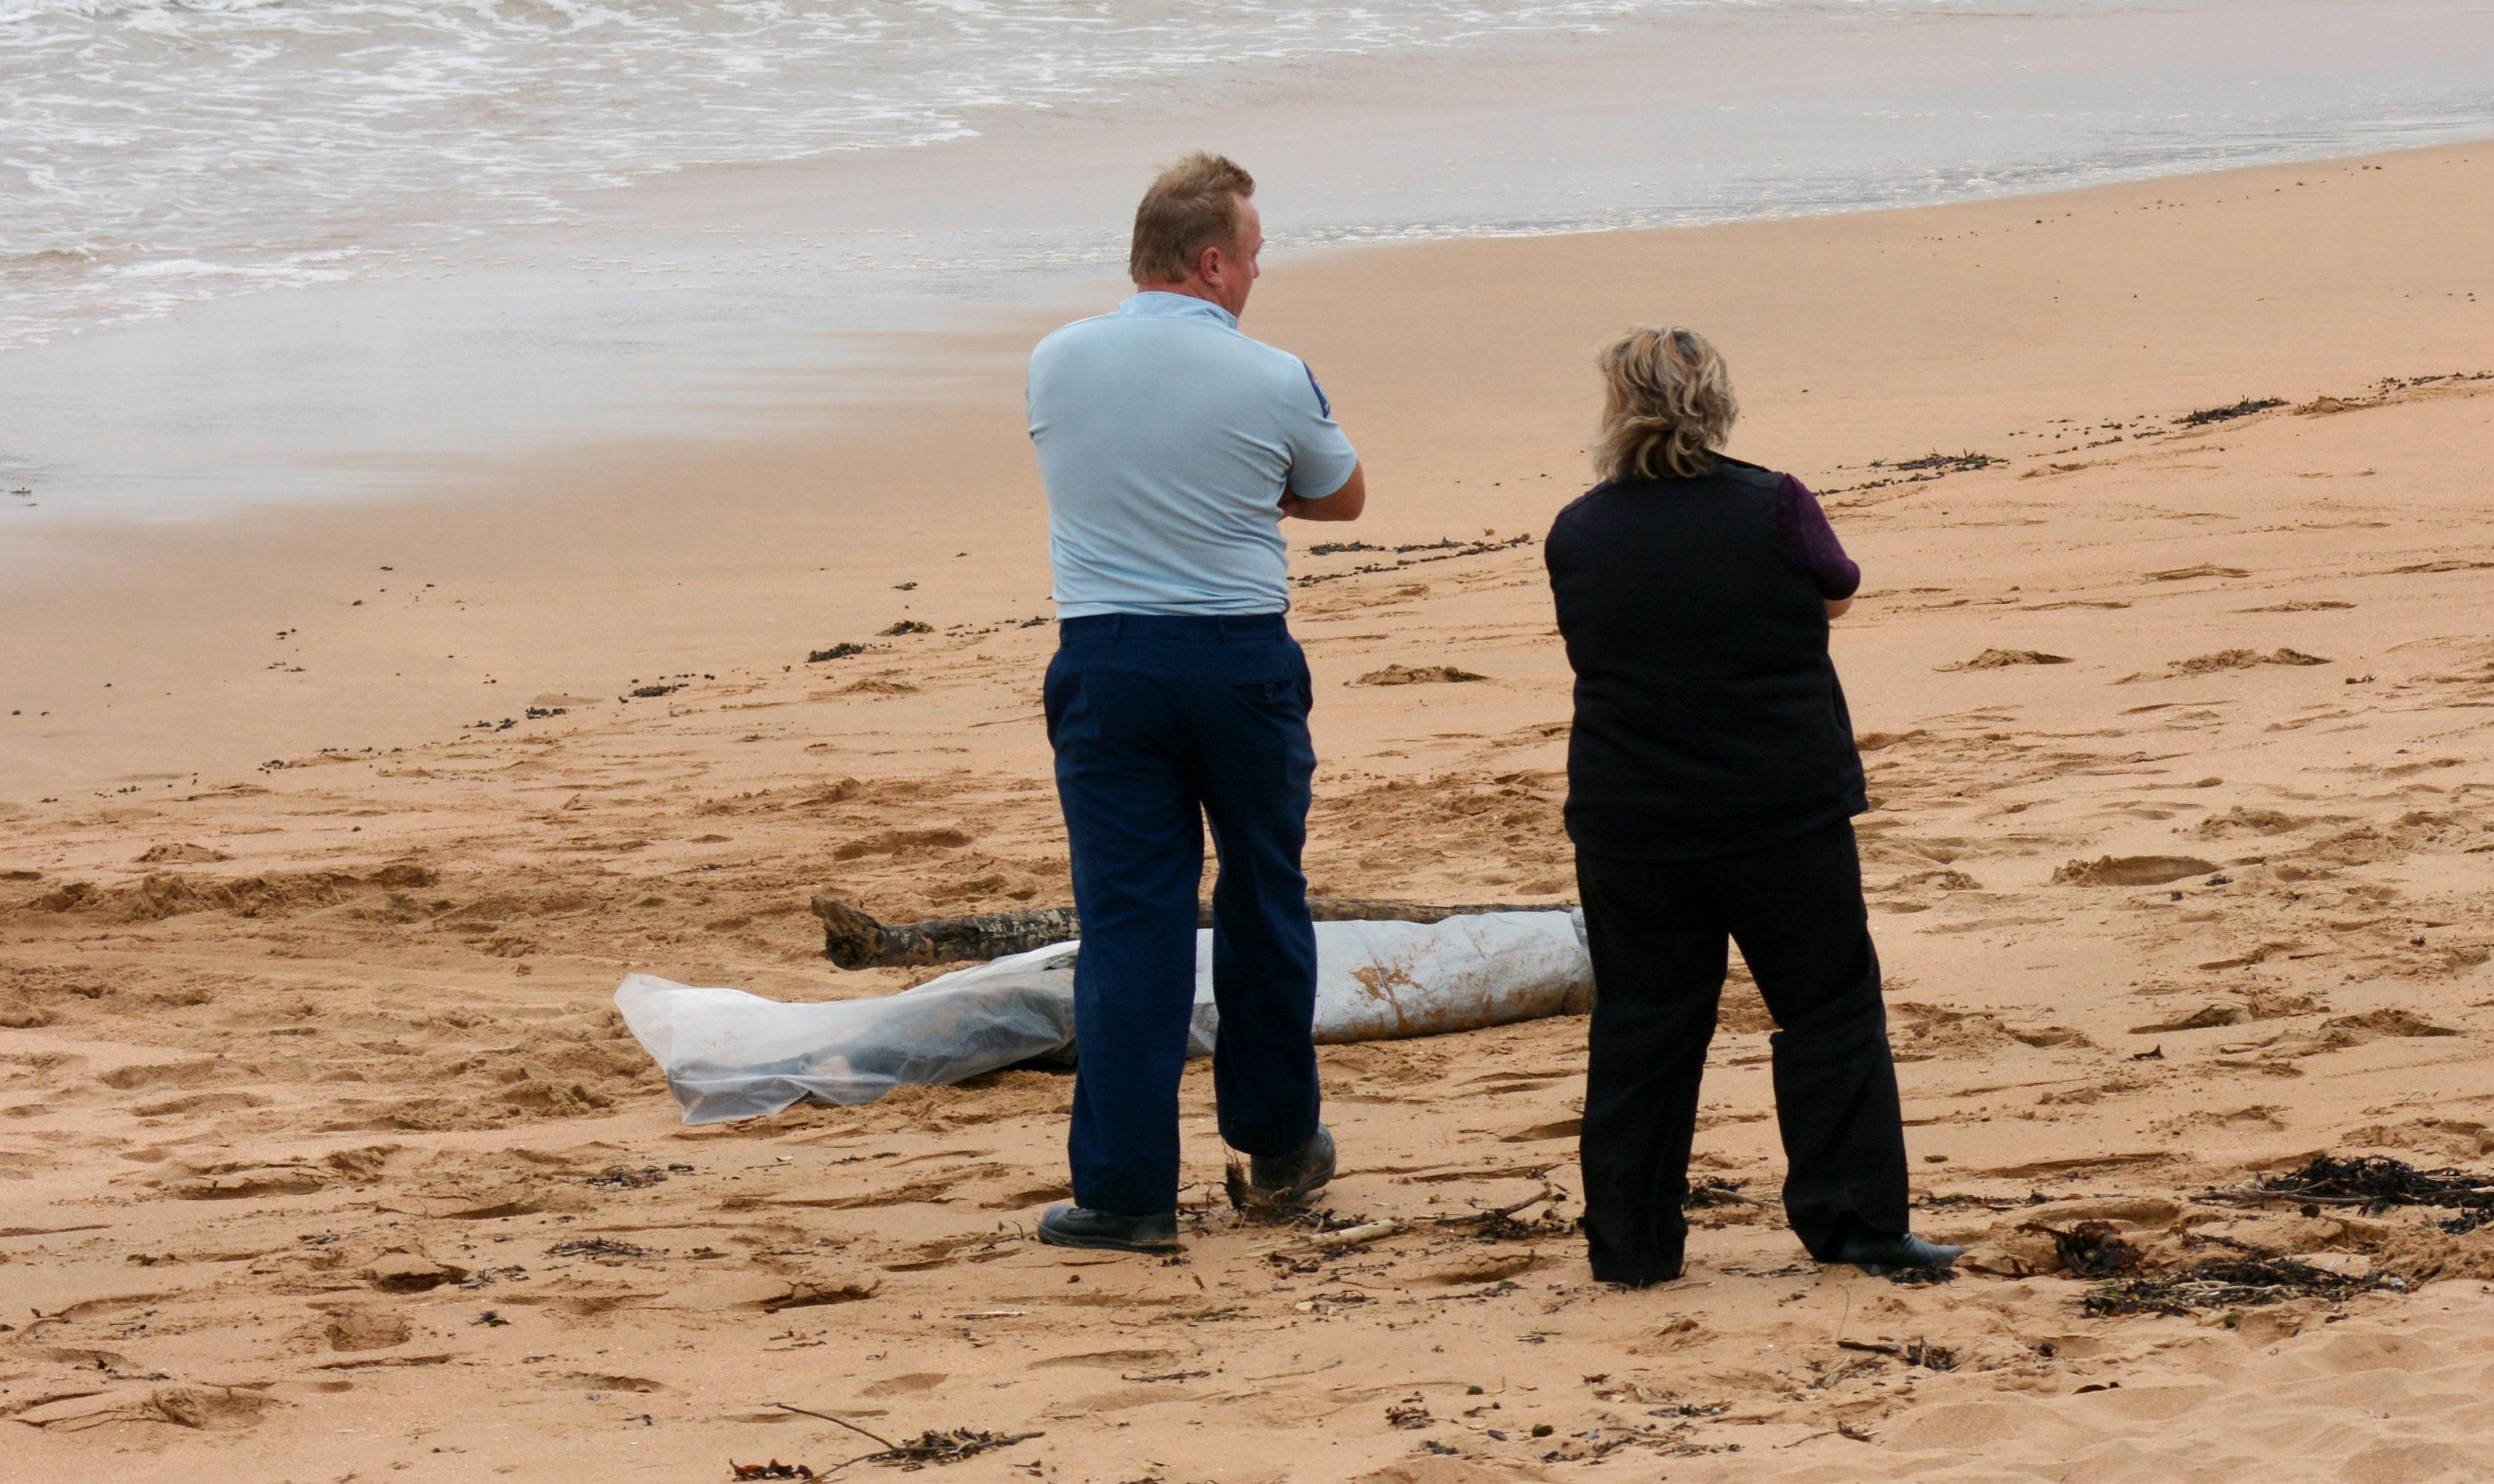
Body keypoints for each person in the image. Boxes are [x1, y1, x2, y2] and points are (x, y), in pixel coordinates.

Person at [1543, 326, 1960, 1284]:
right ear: (1715, 404)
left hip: (1630, 813)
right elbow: (1836, 595)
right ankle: (1853, 1222)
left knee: (1645, 1025)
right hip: (1777, 805)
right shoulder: (1773, 501)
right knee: (1827, 1011)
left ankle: (1632, 1244)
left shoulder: (1579, 529)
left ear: (1618, 410)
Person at [1022, 152, 1368, 1253]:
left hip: (1109, 657)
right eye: (1253, 254)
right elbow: (1341, 495)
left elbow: (1103, 463)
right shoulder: (1270, 374)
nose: (1259, 272)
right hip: (1236, 656)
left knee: (1131, 923)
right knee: (1264, 893)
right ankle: (1278, 1140)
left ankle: (1127, 1191)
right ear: (1212, 263)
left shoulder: (1055, 358)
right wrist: (1250, 485)